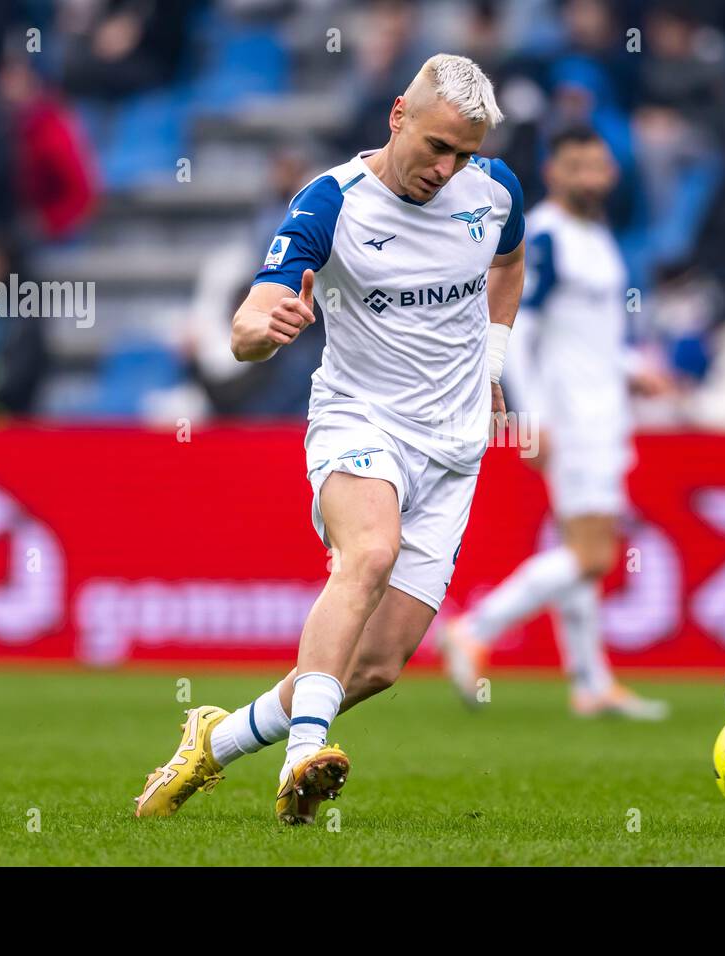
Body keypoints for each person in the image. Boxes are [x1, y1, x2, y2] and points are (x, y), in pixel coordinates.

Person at [134, 54, 526, 825]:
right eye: (437, 147)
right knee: (369, 554)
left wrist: (494, 363)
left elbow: (508, 266)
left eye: (465, 155)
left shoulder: (497, 190)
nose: (447, 169)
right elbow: (252, 316)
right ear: (397, 116)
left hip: (453, 452)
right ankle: (302, 756)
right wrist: (259, 332)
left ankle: (215, 741)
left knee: (376, 664)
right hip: (360, 419)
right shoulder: (332, 200)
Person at [439, 126, 668, 721]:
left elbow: (590, 335)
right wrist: (530, 417)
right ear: (553, 172)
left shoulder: (598, 238)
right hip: (571, 415)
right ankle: (473, 629)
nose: (589, 176)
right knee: (592, 555)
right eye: (576, 166)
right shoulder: (543, 234)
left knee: (581, 551)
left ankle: (591, 682)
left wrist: (632, 366)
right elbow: (524, 328)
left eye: (598, 165)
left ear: (610, 172)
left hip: (604, 410)